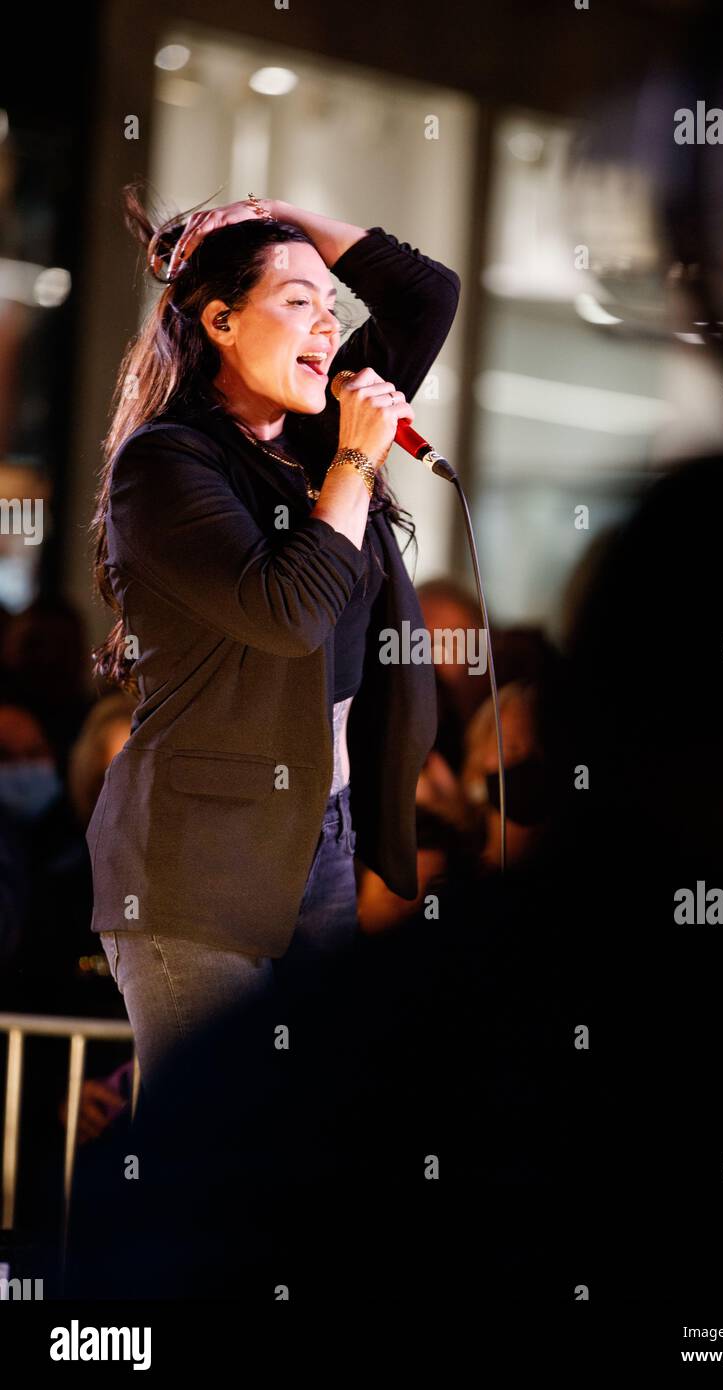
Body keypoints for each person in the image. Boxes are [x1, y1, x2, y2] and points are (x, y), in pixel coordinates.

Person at [85, 188, 460, 1090]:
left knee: (290, 1153)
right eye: (297, 303)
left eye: (331, 305)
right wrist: (357, 461)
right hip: (195, 857)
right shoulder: (168, 463)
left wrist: (282, 213)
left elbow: (426, 294)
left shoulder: (317, 429)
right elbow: (290, 613)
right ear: (218, 320)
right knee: (203, 1170)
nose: (327, 326)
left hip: (316, 836)